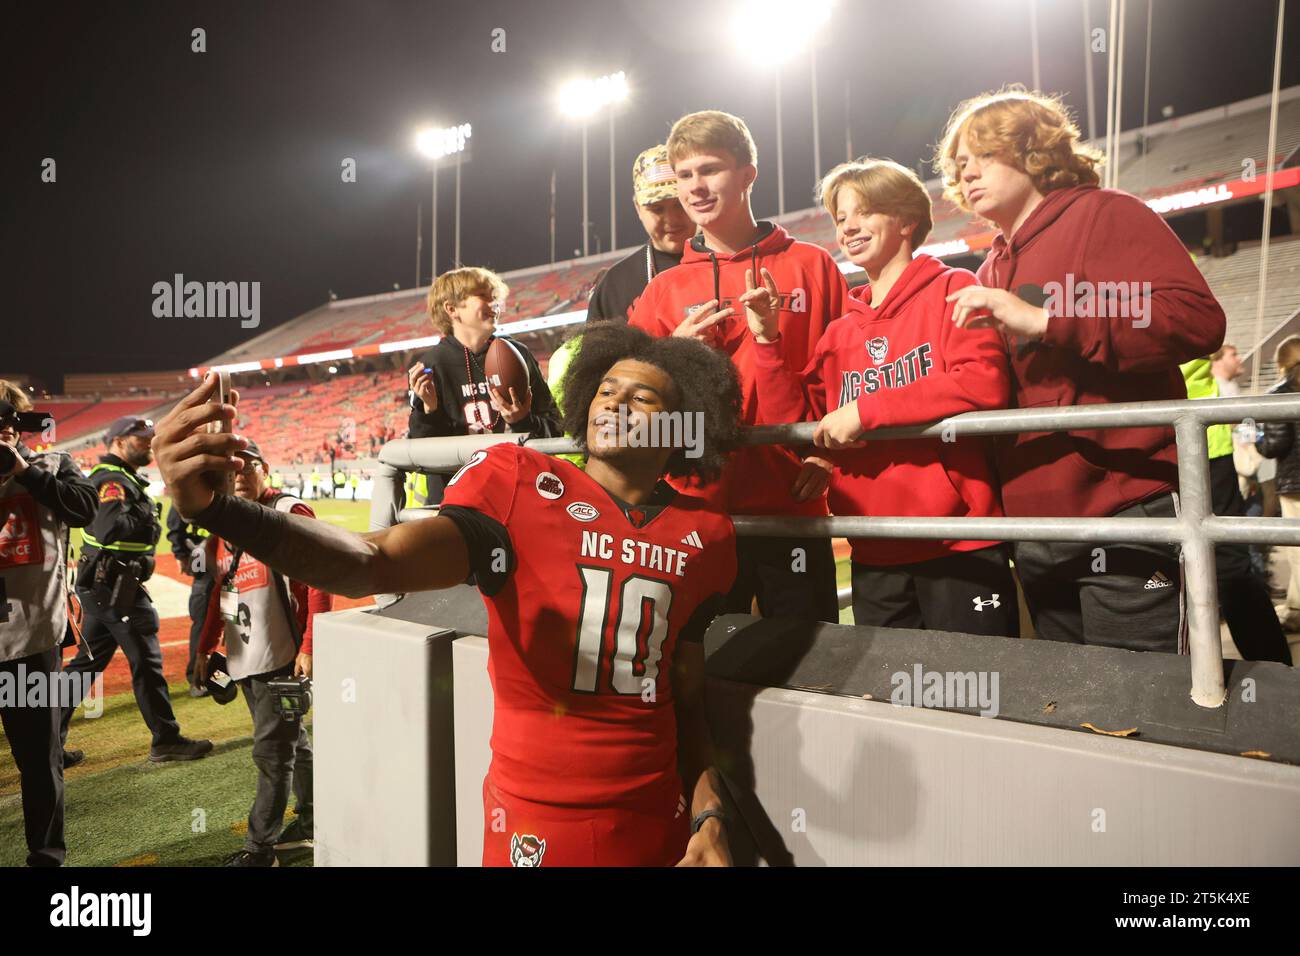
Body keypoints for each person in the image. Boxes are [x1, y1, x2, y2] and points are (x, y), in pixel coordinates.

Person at [154, 324, 743, 867]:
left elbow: (687, 703)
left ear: (681, 426)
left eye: (643, 397)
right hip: (535, 825)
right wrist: (222, 511)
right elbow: (371, 561)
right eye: (607, 388)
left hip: (658, 821)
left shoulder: (706, 535)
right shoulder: (520, 482)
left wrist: (710, 816)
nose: (615, 401)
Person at [936, 89, 1226, 652]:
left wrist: (1048, 320)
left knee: (1144, 704)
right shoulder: (992, 263)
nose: (965, 172)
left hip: (1122, 510)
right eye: (958, 164)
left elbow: (1195, 321)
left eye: (981, 154)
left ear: (1034, 150)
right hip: (1036, 524)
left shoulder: (1104, 213)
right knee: (1074, 705)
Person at [750, 159, 1018, 637]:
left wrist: (867, 411)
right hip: (874, 546)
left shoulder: (955, 288)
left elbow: (984, 382)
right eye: (840, 217)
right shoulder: (840, 331)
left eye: (865, 212)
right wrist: (767, 341)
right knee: (894, 702)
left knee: (979, 698)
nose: (849, 227)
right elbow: (798, 423)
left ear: (906, 220)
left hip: (958, 542)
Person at [630, 109, 846, 624]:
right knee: (700, 666)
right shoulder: (662, 290)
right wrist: (668, 354)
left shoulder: (812, 265)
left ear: (748, 173)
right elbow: (625, 396)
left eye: (710, 170)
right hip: (695, 510)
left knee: (811, 668)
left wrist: (828, 457)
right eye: (684, 175)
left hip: (791, 505)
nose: (695, 187)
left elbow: (845, 372)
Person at [193, 439, 331, 866]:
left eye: (247, 466)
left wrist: (310, 645)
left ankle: (260, 849)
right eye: (230, 471)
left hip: (284, 659)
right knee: (295, 742)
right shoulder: (225, 525)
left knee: (272, 752)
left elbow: (320, 576)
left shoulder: (289, 513)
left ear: (264, 469)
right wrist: (205, 647)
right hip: (246, 662)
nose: (239, 476)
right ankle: (313, 820)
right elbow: (220, 591)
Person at [59, 416, 213, 763]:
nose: (148, 441)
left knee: (85, 666)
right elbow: (109, 526)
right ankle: (166, 740)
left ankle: (47, 743)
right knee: (147, 661)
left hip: (106, 585)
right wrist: (147, 517)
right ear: (116, 441)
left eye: (149, 436)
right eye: (139, 436)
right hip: (116, 586)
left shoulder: (122, 478)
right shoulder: (111, 480)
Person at [0, 384, 97, 866]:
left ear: (21, 426)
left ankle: (46, 857)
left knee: (40, 761)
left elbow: (86, 509)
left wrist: (22, 471)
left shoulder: (51, 466)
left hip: (30, 641)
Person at [404, 266, 562, 508]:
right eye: (483, 296)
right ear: (452, 309)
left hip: (516, 495)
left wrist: (523, 420)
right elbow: (421, 458)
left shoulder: (517, 354)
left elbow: (556, 430)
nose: (495, 304)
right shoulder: (430, 365)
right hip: (458, 500)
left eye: (495, 297)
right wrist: (429, 410)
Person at [1182, 358, 1291, 663]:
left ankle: (1274, 677)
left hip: (1193, 444)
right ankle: (1275, 676)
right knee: (1230, 569)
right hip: (1193, 441)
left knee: (1230, 569)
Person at [585, 144, 695, 324]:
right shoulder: (614, 285)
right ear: (638, 207)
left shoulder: (725, 258)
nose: (671, 219)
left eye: (679, 204)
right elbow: (596, 352)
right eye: (657, 209)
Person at [1257, 336, 1300, 636]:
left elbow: (1275, 445)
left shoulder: (1279, 394)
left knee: (1298, 551)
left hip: (1295, 481)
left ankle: (1297, 612)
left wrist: (1256, 439)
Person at [165, 504, 215, 695]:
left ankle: (238, 671)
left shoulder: (228, 482)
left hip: (228, 553)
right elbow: (175, 522)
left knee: (234, 614)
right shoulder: (192, 482)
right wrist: (180, 553)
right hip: (200, 552)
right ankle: (197, 678)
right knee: (202, 614)